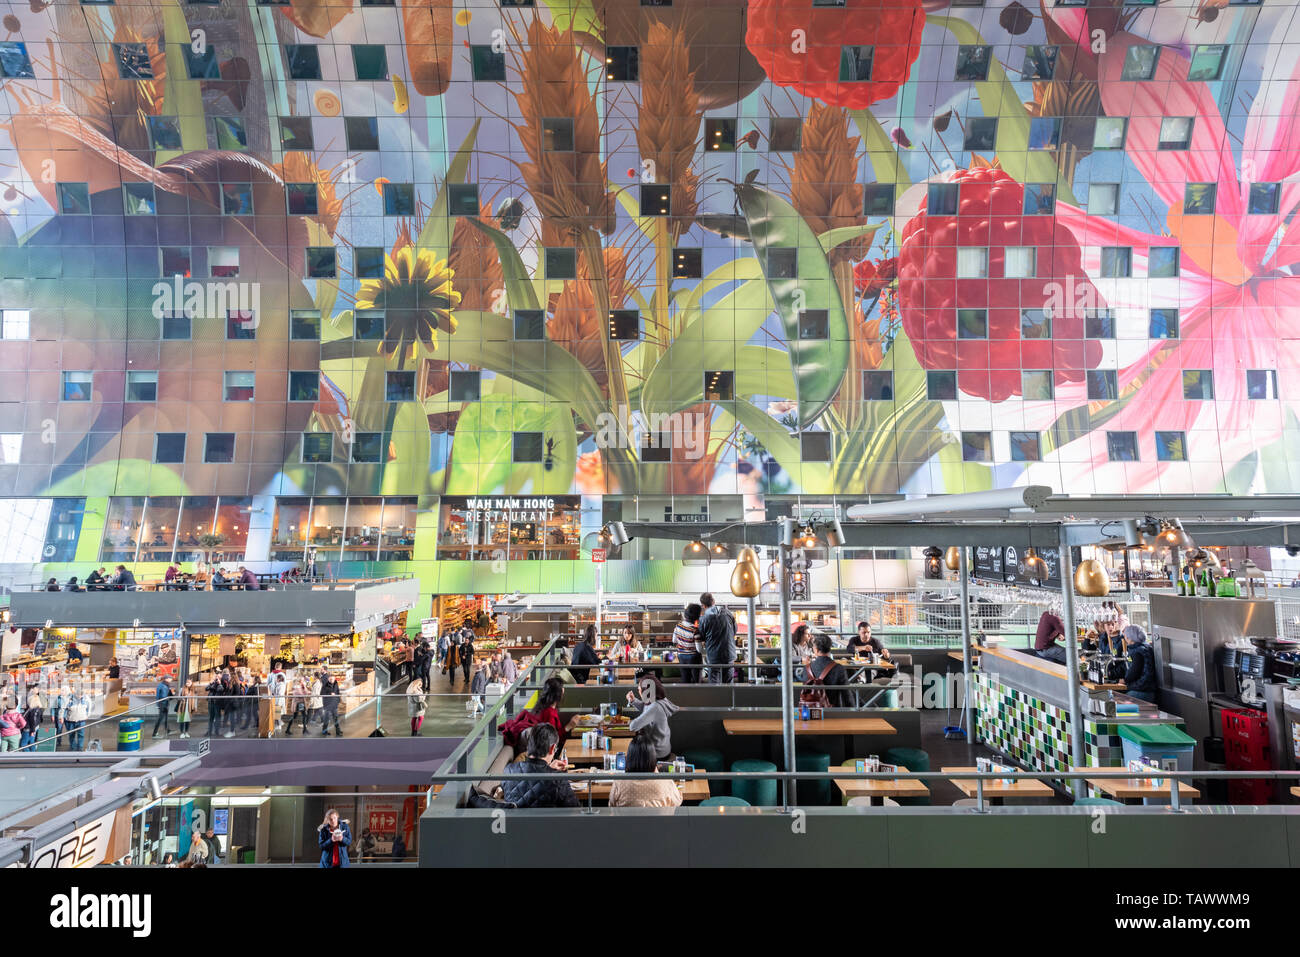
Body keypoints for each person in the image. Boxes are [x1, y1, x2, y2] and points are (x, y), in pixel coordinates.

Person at [501, 723, 579, 808]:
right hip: (549, 821)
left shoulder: (508, 771)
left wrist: (548, 769)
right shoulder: (558, 780)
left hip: (515, 821)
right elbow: (575, 808)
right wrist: (553, 773)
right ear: (552, 748)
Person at [500, 675, 577, 751]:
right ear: (558, 694)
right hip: (552, 750)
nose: (563, 689)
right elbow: (552, 740)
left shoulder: (543, 707)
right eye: (562, 688)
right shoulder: (549, 713)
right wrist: (569, 726)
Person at [609, 733, 684, 808]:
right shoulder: (667, 782)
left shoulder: (619, 783)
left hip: (627, 820)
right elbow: (677, 801)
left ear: (629, 758)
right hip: (659, 820)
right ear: (653, 757)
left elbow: (612, 805)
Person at [624, 673, 678, 760]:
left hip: (657, 753)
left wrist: (628, 722)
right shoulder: (659, 700)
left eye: (639, 689)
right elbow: (647, 708)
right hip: (662, 748)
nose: (638, 691)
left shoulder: (655, 707)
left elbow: (633, 727)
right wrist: (633, 701)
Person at [698, 593, 737, 684]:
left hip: (714, 656)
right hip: (729, 654)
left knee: (714, 685)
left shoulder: (703, 619)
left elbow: (701, 637)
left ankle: (717, 698)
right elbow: (734, 631)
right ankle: (728, 698)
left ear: (703, 605)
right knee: (729, 684)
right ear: (714, 602)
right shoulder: (728, 613)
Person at [805, 633, 851, 707]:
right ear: (830, 648)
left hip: (811, 710)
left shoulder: (807, 668)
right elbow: (847, 695)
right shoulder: (839, 668)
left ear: (816, 649)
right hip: (833, 711)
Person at [1121, 625, 1158, 703]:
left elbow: (1133, 672)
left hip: (1143, 691)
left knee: (1118, 702)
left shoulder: (1137, 652)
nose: (1125, 639)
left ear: (1129, 638)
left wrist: (1124, 680)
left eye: (1126, 636)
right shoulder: (1145, 648)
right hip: (1148, 690)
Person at [673, 603, 703, 683]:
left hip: (681, 656)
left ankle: (686, 694)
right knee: (697, 680)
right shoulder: (695, 630)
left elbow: (674, 641)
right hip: (693, 657)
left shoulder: (678, 626)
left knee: (685, 679)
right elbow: (699, 650)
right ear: (697, 616)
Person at [319, 670, 342, 736]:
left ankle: (338, 731)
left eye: (333, 679)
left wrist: (338, 701)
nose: (332, 680)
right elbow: (321, 694)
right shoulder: (325, 685)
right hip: (328, 705)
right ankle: (324, 731)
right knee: (327, 719)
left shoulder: (336, 684)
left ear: (334, 679)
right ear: (328, 679)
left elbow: (338, 692)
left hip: (334, 704)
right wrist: (329, 693)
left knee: (336, 718)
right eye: (330, 679)